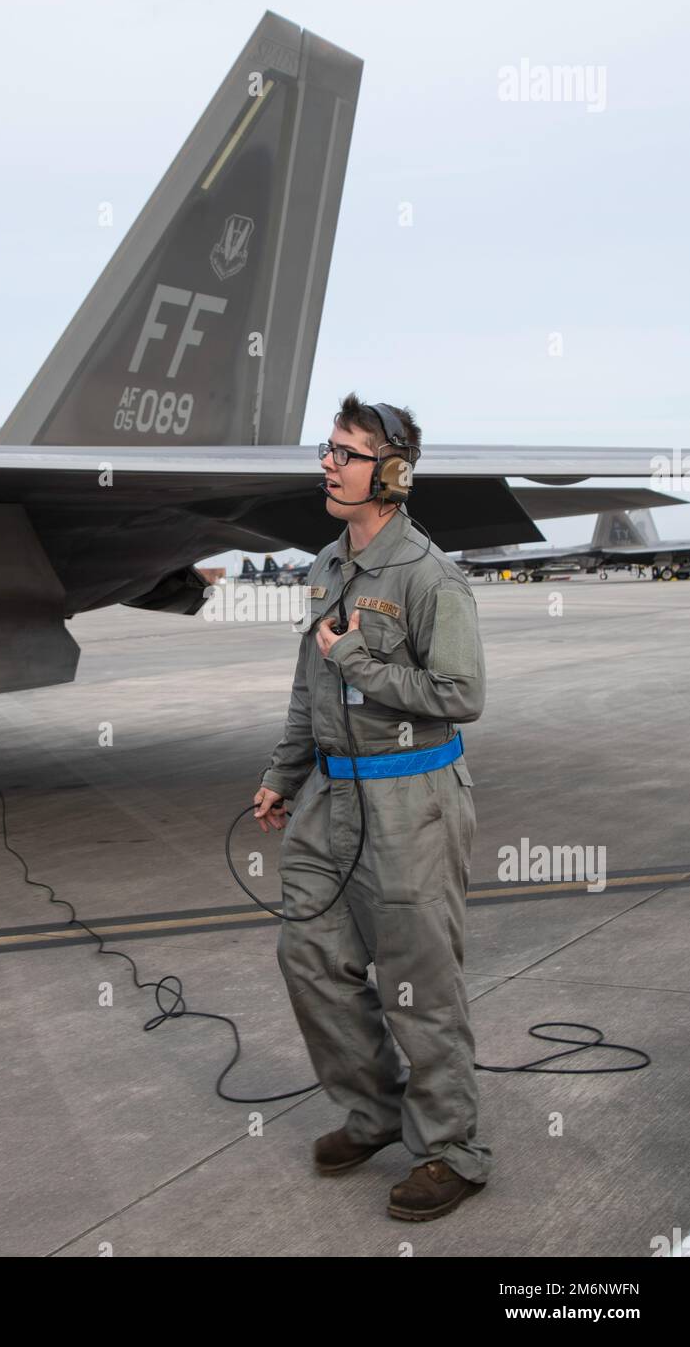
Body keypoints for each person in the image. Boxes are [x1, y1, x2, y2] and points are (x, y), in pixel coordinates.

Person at [253, 392, 492, 1221]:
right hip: (329, 796)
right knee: (310, 960)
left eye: (345, 453)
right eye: (327, 449)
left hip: (412, 799)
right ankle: (374, 1111)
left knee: (418, 983)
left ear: (390, 474)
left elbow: (461, 695)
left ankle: (450, 1149)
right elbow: (305, 684)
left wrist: (356, 657)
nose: (326, 463)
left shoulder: (430, 576)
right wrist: (282, 774)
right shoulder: (325, 565)